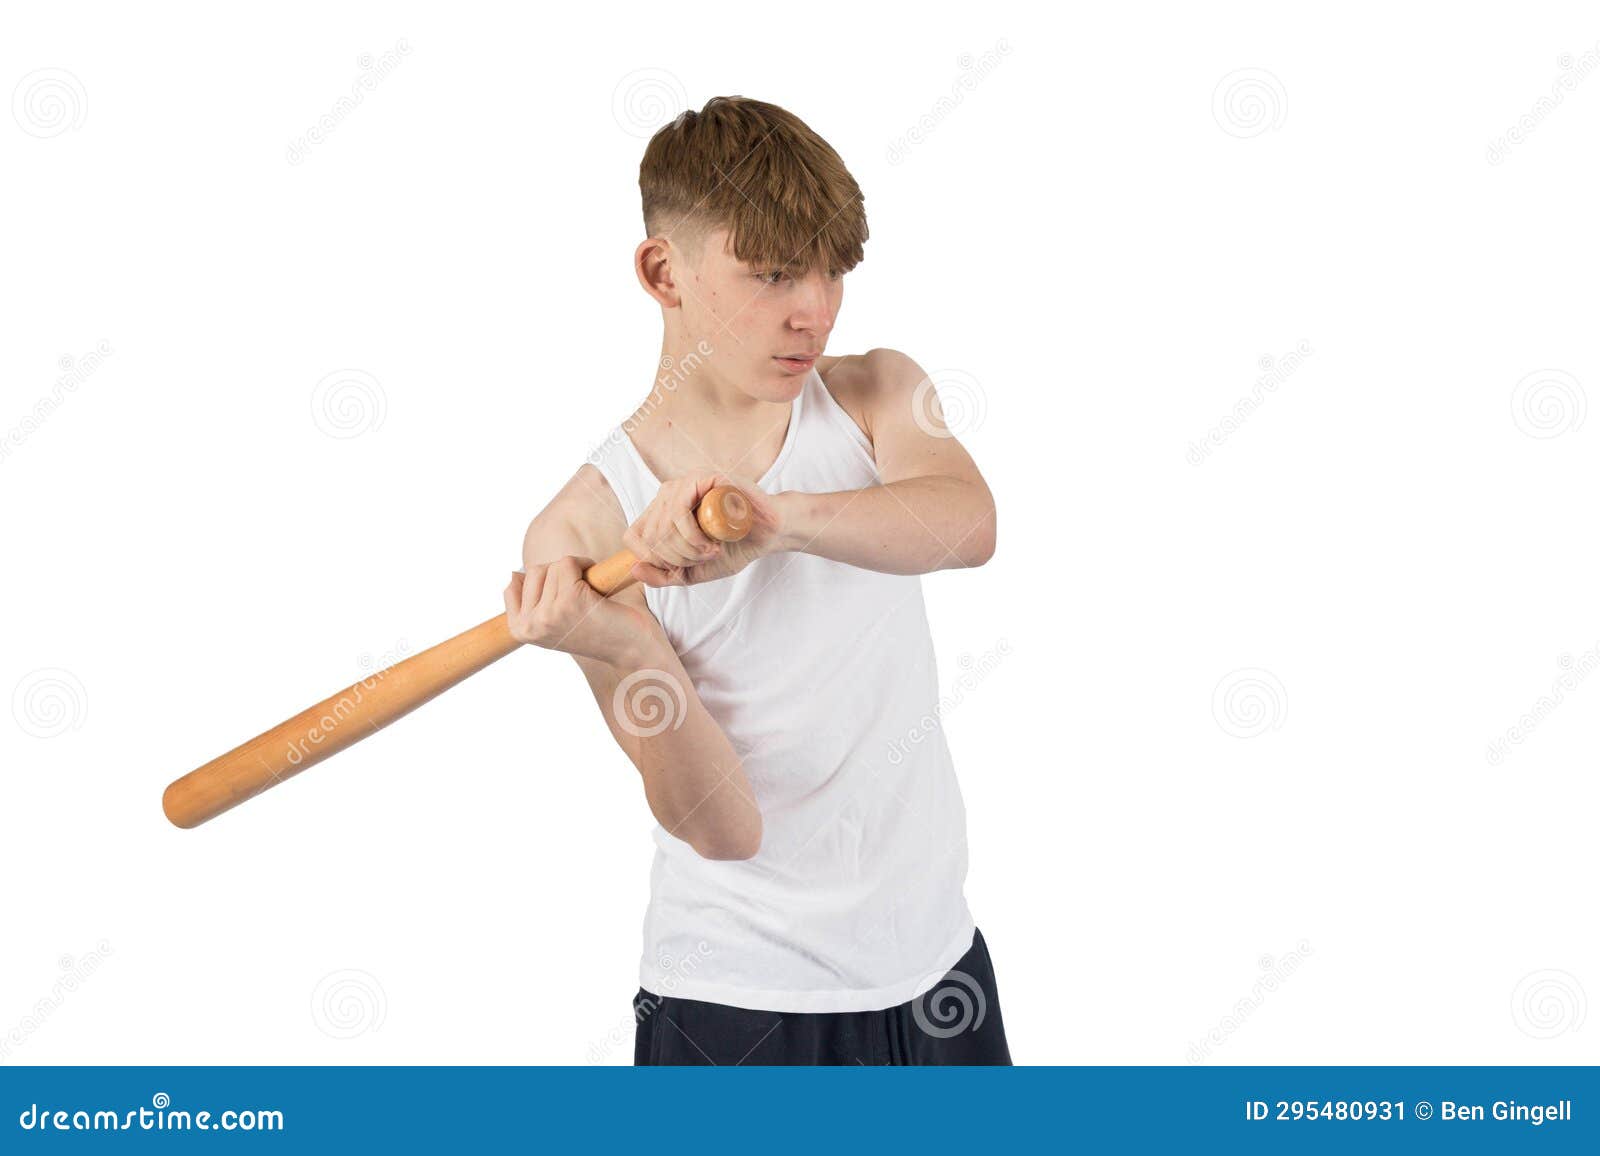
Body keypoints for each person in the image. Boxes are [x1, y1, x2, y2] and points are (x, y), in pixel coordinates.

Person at [502, 96, 1010, 1065]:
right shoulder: (582, 529)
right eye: (772, 271)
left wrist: (775, 523)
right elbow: (722, 826)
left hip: (937, 965)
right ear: (663, 272)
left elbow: (967, 525)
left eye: (830, 271)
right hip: (735, 1001)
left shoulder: (875, 395)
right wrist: (619, 641)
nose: (810, 308)